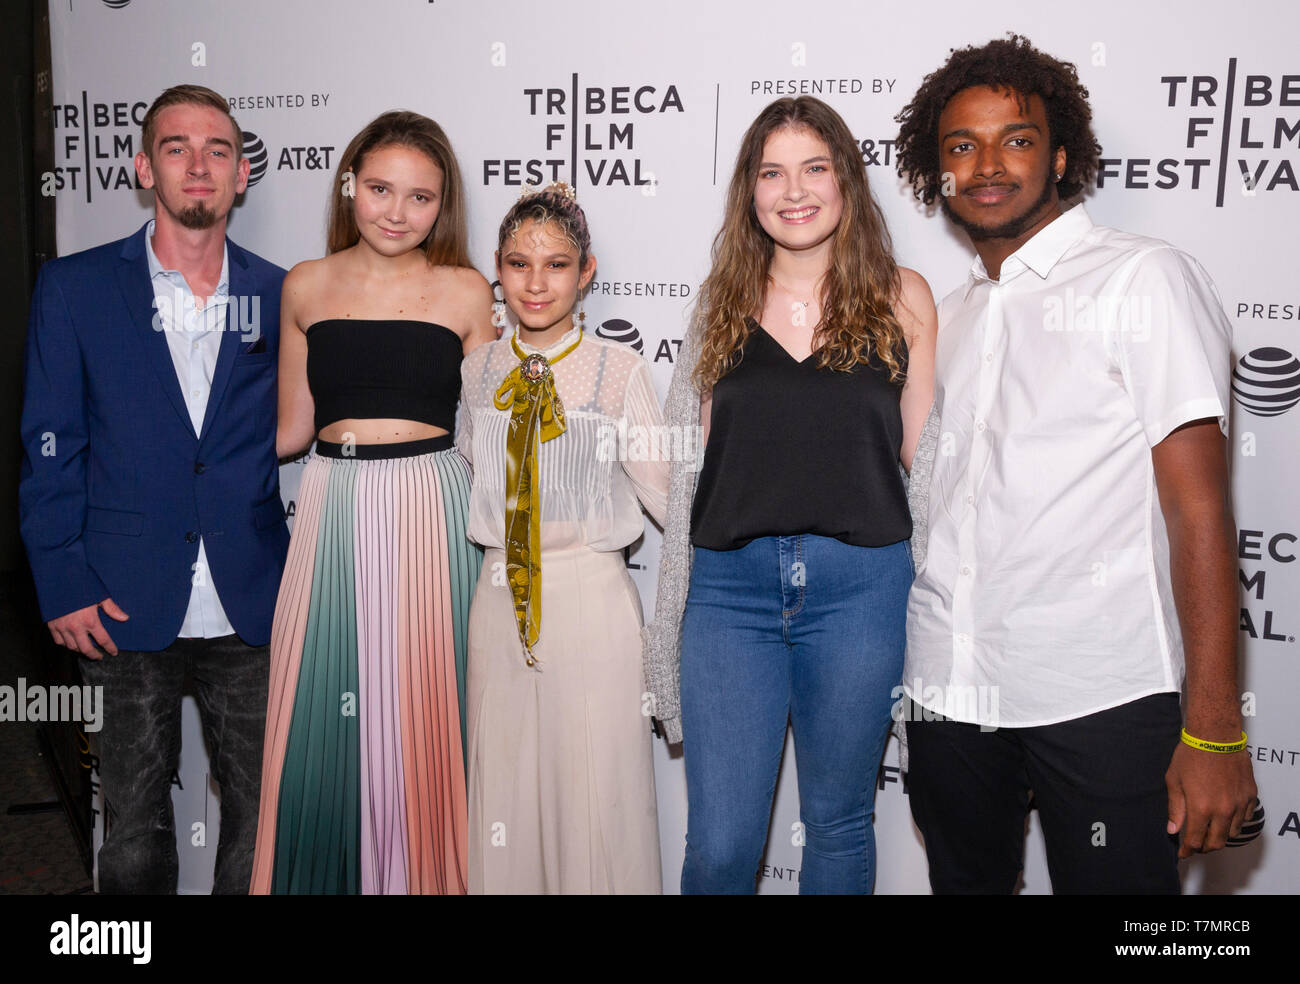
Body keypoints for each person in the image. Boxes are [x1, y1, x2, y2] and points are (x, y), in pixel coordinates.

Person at [893, 34, 1258, 894]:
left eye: (1014, 139)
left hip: (1099, 697)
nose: (986, 165)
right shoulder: (951, 315)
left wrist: (1213, 731)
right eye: (960, 146)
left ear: (1060, 156)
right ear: (933, 170)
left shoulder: (1143, 281)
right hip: (953, 694)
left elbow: (1199, 510)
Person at [643, 96, 938, 894]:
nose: (793, 189)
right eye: (772, 171)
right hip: (729, 595)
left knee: (840, 824)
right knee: (723, 840)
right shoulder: (718, 306)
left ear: (846, 180)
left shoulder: (902, 296)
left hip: (862, 590)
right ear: (749, 190)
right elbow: (693, 464)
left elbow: (929, 465)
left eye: (815, 167)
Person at [18, 85, 289, 894]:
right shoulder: (75, 288)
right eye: (177, 148)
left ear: (242, 175)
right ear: (145, 168)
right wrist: (62, 580)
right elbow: (49, 445)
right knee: (132, 833)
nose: (199, 164)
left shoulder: (283, 294)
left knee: (262, 822)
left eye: (217, 150)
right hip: (119, 600)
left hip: (252, 599)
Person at [250, 110, 495, 894]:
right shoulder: (305, 283)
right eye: (381, 188)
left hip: (434, 506)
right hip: (331, 505)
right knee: (319, 713)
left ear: (442, 206)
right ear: (349, 185)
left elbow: (489, 433)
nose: (398, 211)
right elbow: (289, 428)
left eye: (420, 197)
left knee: (430, 713)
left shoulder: (465, 291)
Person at [458, 183, 668, 894]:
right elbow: (472, 474)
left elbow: (670, 497)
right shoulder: (477, 371)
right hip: (495, 602)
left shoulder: (621, 370)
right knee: (505, 789)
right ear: (498, 268)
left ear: (587, 272)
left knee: (597, 791)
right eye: (519, 263)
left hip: (591, 602)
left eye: (556, 264)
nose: (536, 282)